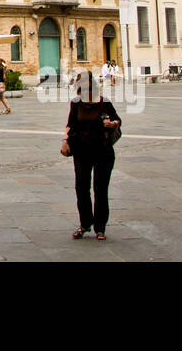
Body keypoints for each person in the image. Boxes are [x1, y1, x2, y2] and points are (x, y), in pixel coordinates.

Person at [62, 70, 121, 241]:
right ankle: (85, 224)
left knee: (100, 190)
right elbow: (70, 124)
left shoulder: (104, 102)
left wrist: (112, 123)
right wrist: (65, 141)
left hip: (103, 150)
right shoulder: (76, 103)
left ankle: (100, 227)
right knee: (81, 188)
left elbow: (118, 120)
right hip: (81, 150)